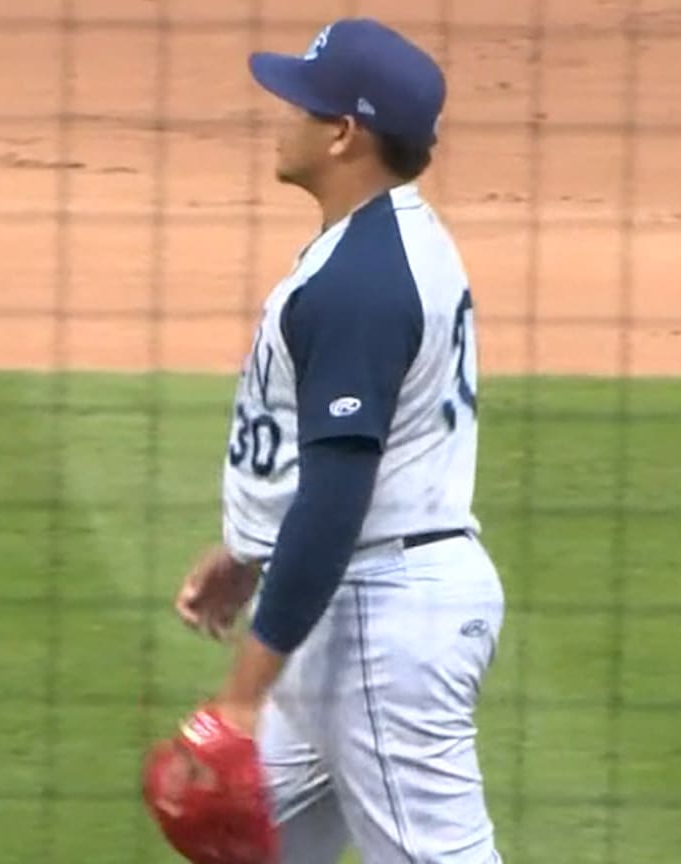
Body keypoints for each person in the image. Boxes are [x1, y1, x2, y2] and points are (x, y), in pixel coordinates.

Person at [167, 17, 505, 863]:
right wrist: (247, 551)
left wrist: (242, 697)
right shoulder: (382, 244)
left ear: (345, 133)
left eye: (300, 103)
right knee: (249, 843)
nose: (282, 115)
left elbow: (336, 497)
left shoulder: (360, 281)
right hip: (359, 605)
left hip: (382, 620)